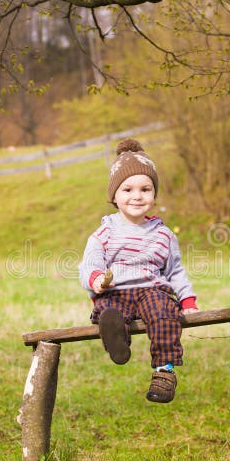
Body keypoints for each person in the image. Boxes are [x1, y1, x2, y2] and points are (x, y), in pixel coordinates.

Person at [79, 138, 199, 403]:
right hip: (115, 291)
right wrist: (97, 279)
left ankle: (164, 374)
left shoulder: (163, 235)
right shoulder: (105, 232)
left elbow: (175, 271)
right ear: (114, 196)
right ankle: (117, 339)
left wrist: (187, 299)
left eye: (145, 189)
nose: (137, 196)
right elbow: (90, 263)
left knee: (164, 313)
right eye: (128, 189)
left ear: (154, 194)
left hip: (152, 289)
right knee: (110, 310)